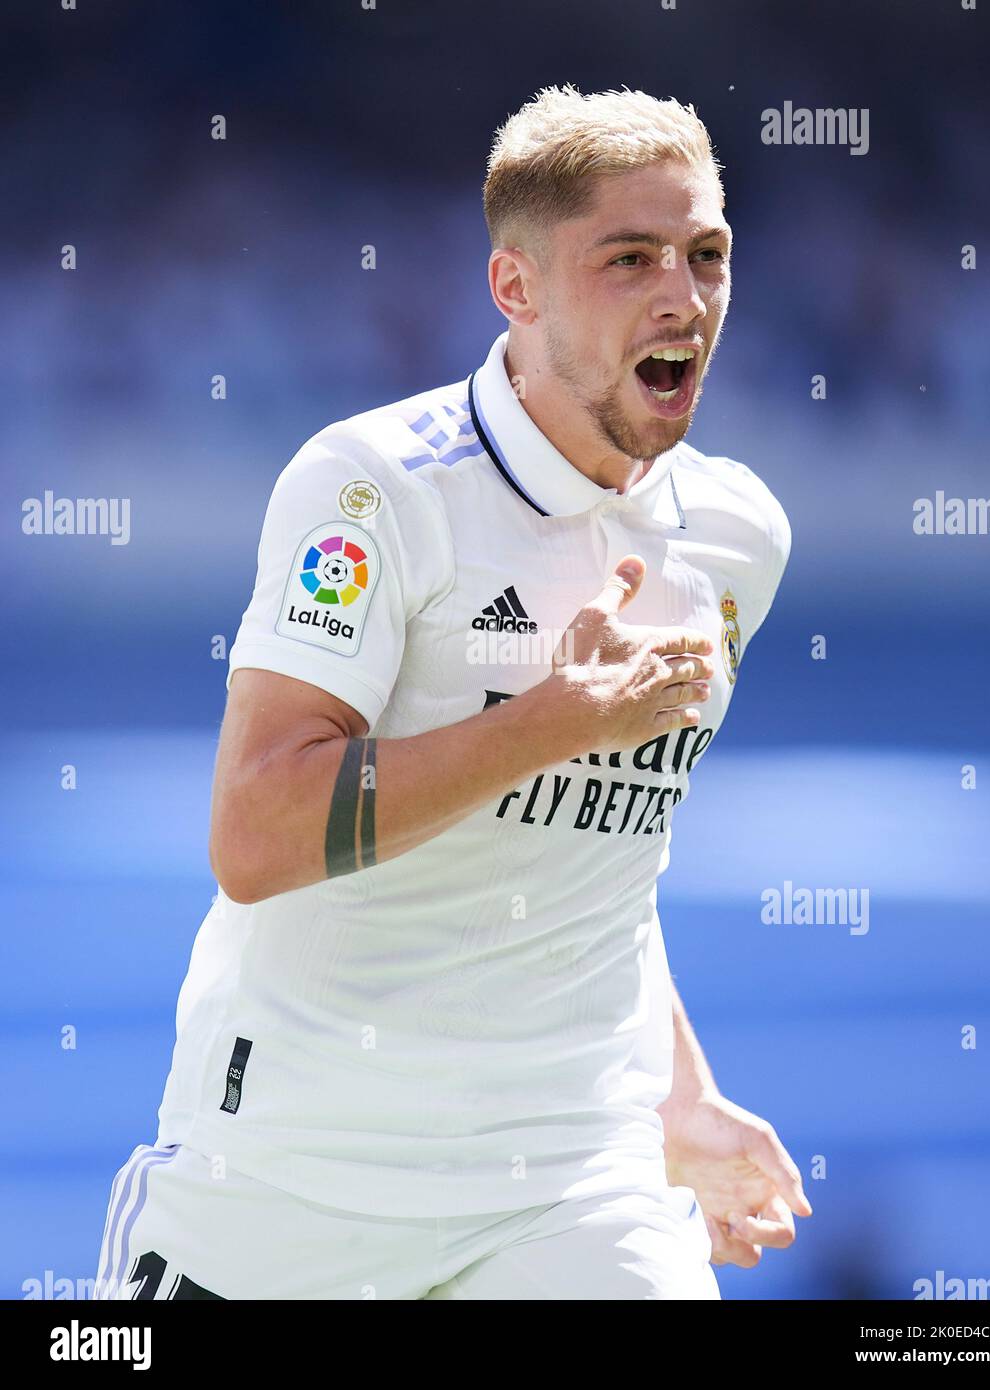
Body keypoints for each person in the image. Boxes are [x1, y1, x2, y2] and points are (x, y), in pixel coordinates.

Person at [94, 83, 810, 1302]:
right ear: (514, 289)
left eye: (704, 255)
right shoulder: (373, 487)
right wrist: (547, 723)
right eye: (627, 258)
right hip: (289, 1188)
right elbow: (255, 830)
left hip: (571, 1188)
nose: (681, 298)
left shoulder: (736, 532)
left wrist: (679, 1095)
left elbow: (601, 861)